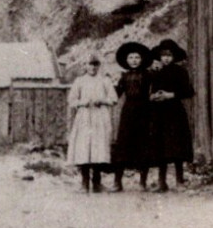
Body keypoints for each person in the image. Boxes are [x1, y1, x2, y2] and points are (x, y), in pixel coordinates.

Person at [145, 39, 195, 192]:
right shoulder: (154, 72)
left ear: (174, 56)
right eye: (163, 55)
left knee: (177, 146)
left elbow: (188, 91)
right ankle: (162, 182)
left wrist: (170, 95)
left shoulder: (180, 71)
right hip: (158, 112)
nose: (165, 58)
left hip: (174, 112)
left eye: (169, 55)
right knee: (160, 147)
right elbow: (147, 90)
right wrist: (152, 96)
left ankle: (180, 181)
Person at [67, 55, 116, 193]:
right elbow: (71, 100)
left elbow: (113, 99)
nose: (93, 67)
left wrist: (101, 100)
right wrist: (82, 102)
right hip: (84, 116)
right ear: (85, 66)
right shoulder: (80, 81)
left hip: (100, 117)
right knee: (84, 148)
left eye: (95, 65)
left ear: (99, 66)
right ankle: (84, 183)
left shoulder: (105, 80)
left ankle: (97, 183)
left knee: (98, 148)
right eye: (90, 64)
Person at [108, 42, 152, 192]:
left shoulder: (148, 75)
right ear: (126, 60)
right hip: (128, 112)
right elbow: (116, 94)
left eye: (137, 57)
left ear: (142, 59)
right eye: (131, 57)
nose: (134, 60)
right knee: (123, 144)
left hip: (144, 112)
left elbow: (154, 91)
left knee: (143, 145)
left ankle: (142, 182)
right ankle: (117, 182)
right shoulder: (124, 76)